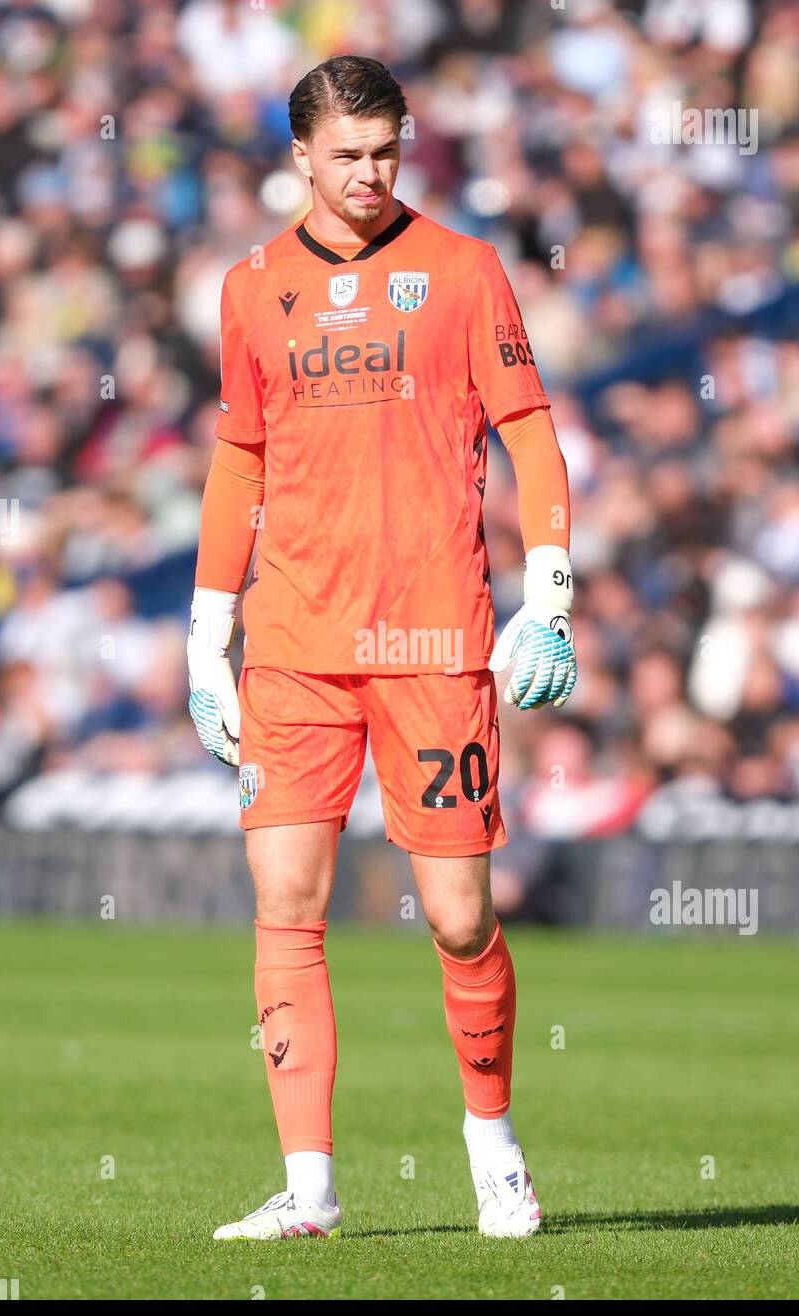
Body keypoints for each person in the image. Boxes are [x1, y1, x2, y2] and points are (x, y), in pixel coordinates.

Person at [187, 54, 576, 1241]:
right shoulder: (251, 288)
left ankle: (492, 1148)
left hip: (430, 637)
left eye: (386, 150)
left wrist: (548, 590)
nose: (369, 172)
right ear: (298, 154)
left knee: (457, 914)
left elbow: (531, 433)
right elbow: (238, 459)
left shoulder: (461, 271)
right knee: (284, 903)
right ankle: (307, 1188)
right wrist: (211, 632)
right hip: (295, 641)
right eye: (346, 153)